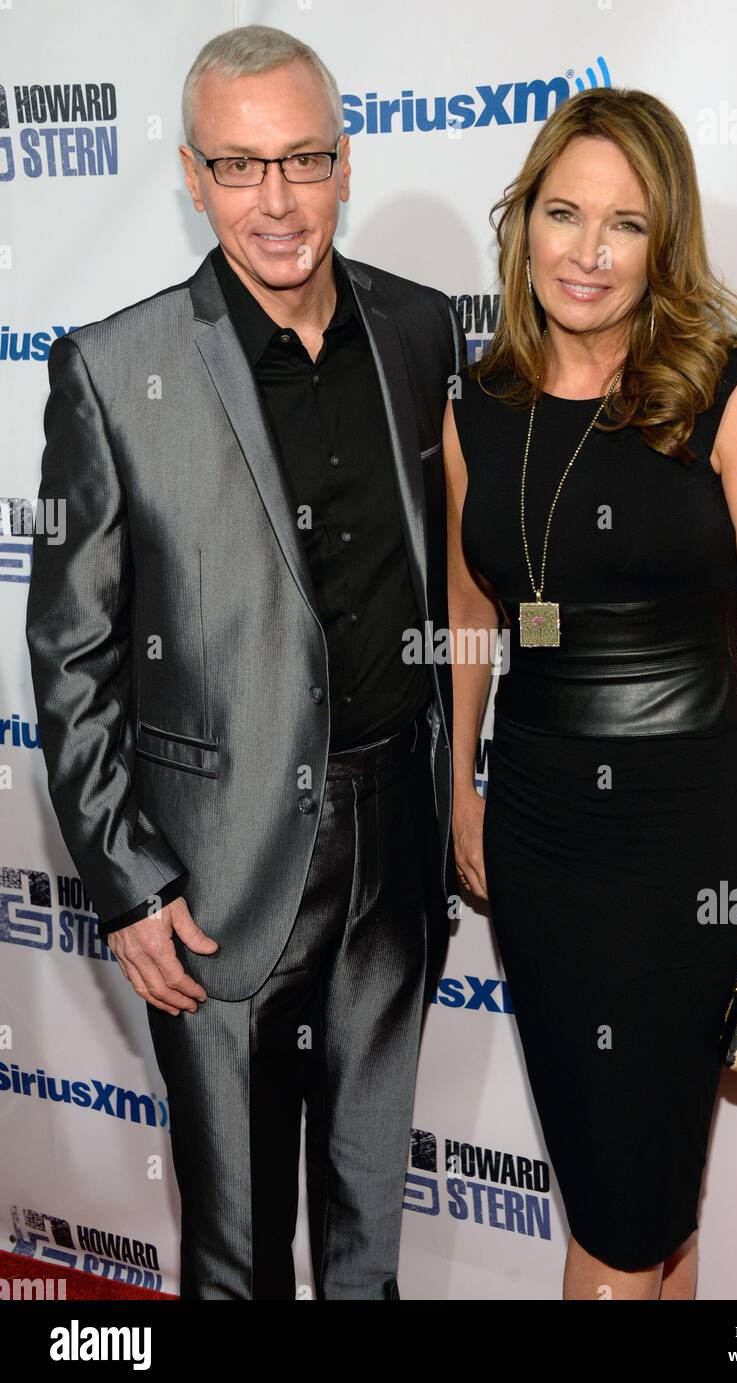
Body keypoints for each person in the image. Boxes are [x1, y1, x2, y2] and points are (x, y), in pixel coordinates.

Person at [25, 25, 465, 1300]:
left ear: (345, 160)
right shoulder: (116, 370)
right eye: (238, 166)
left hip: (396, 850)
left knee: (368, 1247)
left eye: (303, 159)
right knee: (236, 1258)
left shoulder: (420, 328)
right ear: (191, 174)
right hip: (218, 876)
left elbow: (462, 580)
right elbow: (71, 651)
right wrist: (125, 883)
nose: (276, 201)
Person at [444, 87, 737, 1301]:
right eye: (563, 214)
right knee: (648, 1204)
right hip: (535, 830)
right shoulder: (477, 410)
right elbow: (473, 619)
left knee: (623, 1220)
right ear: (523, 223)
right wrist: (458, 782)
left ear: (663, 241)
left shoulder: (731, 395)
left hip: (684, 838)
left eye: (624, 224)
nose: (587, 251)